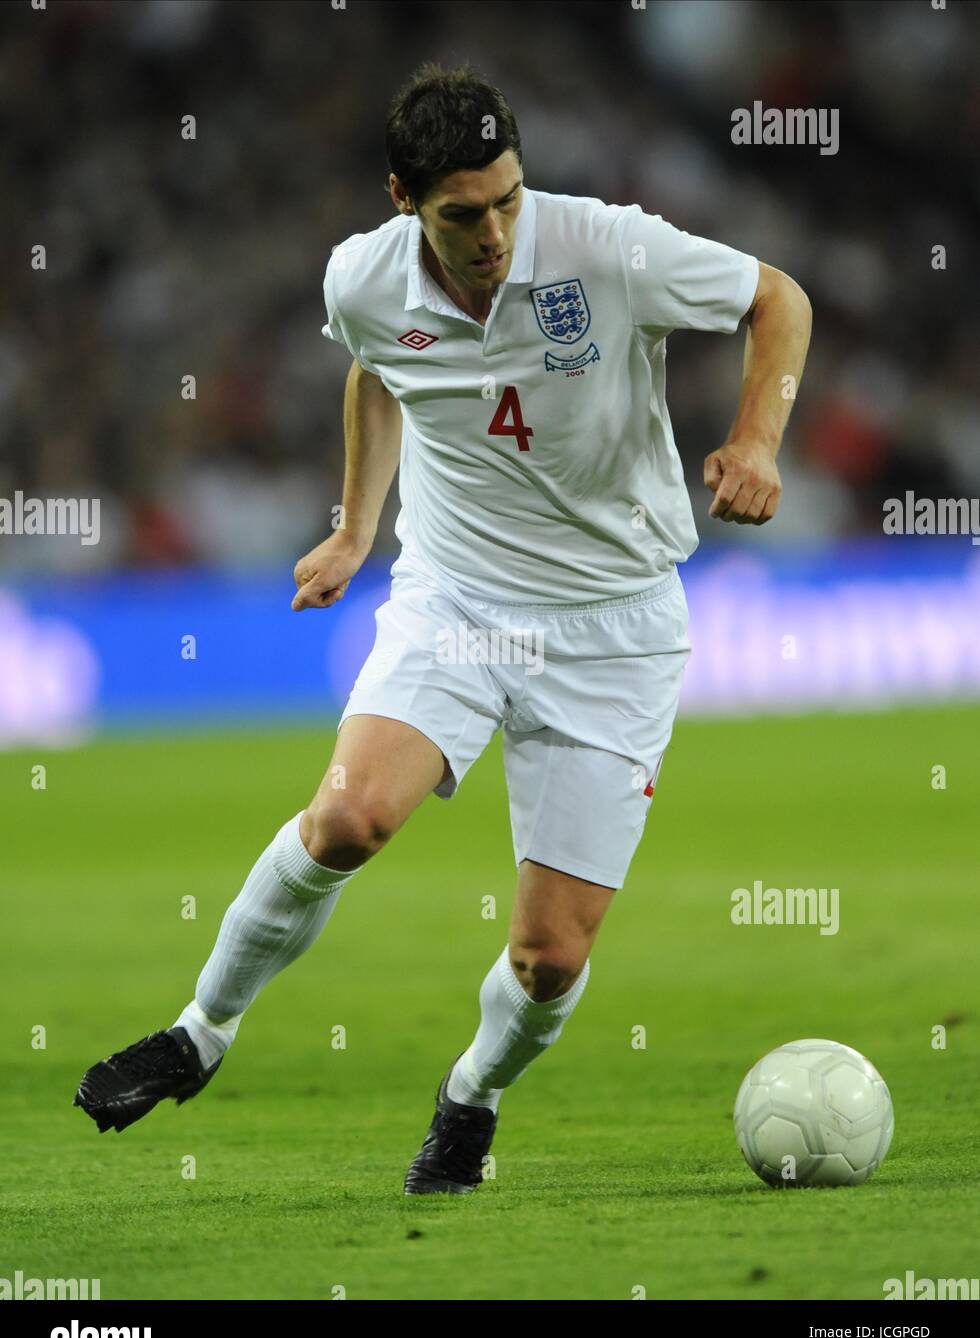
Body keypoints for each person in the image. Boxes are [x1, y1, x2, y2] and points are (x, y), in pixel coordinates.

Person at [74, 62, 811, 1195]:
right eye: (461, 214)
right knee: (348, 819)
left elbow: (778, 296)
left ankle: (471, 1097)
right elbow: (374, 374)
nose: (494, 232)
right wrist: (355, 527)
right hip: (457, 598)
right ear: (401, 200)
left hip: (613, 627)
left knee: (548, 955)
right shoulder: (360, 280)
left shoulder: (605, 246)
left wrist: (756, 440)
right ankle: (198, 1032)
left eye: (508, 198)